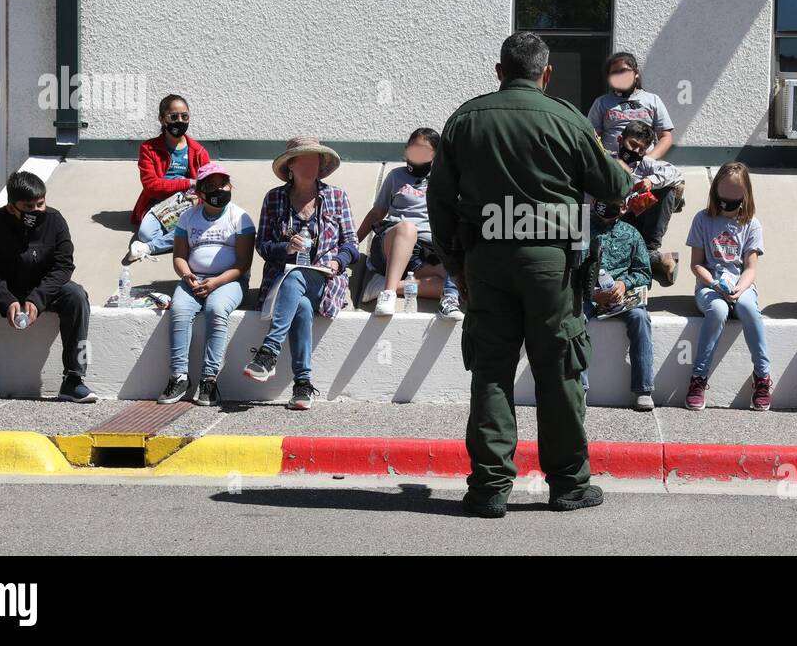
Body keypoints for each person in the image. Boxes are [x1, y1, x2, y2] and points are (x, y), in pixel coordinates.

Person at [428, 32, 632, 518]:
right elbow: (613, 184)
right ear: (546, 74)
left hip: (486, 260)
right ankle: (567, 485)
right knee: (559, 369)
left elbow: (439, 200)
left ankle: (489, 489)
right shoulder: (565, 117)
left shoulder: (465, 119)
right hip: (550, 264)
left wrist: (457, 265)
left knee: (491, 372)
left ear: (499, 72)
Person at [0, 171, 96, 404]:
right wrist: (7, 300)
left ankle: (74, 379)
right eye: (29, 206)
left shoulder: (55, 221)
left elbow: (63, 266)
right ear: (11, 207)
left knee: (77, 296)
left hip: (43, 289)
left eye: (41, 203)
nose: (37, 210)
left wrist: (37, 298)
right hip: (0, 288)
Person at [242, 137, 358, 411]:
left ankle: (269, 351)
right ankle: (303, 384)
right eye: (305, 159)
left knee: (297, 277)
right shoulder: (274, 198)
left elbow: (352, 244)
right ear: (291, 165)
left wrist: (338, 263)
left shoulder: (336, 196)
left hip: (325, 280)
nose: (311, 164)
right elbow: (262, 245)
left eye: (315, 159)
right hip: (283, 284)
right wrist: (286, 248)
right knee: (301, 304)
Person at [158, 163, 255, 408]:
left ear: (229, 186)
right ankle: (179, 376)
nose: (218, 190)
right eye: (210, 186)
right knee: (179, 310)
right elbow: (179, 256)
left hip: (229, 280)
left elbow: (243, 263)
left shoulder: (240, 218)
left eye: (222, 184)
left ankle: (209, 379)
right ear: (200, 192)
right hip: (194, 278)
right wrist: (187, 275)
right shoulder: (187, 218)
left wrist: (216, 282)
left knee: (216, 310)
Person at [685, 162, 772, 411]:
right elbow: (696, 264)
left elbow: (751, 268)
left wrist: (740, 288)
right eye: (723, 198)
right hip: (709, 285)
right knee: (718, 311)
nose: (727, 206)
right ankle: (698, 378)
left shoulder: (751, 224)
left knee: (749, 309)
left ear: (745, 196)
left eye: (734, 199)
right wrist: (713, 283)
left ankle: (763, 376)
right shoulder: (702, 219)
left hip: (740, 285)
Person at [356, 128, 463, 319]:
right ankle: (388, 294)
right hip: (393, 242)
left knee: (456, 281)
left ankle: (388, 284)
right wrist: (353, 243)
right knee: (407, 228)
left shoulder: (445, 181)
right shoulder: (396, 176)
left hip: (426, 252)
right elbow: (377, 212)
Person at [581, 197, 655, 411]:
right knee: (575, 320)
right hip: (587, 296)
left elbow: (644, 274)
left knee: (640, 318)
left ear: (624, 208)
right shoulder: (582, 229)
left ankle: (643, 389)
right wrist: (592, 293)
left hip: (620, 298)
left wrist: (624, 284)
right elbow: (570, 269)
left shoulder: (631, 234)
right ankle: (579, 388)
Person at [124, 94, 209, 264]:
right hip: (158, 202)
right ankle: (187, 237)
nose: (180, 121)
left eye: (184, 116)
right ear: (162, 119)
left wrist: (197, 194)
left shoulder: (199, 151)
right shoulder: (149, 148)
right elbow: (151, 185)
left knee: (150, 239)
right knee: (146, 234)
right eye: (173, 117)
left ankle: (149, 248)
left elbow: (208, 184)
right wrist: (188, 182)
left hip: (187, 201)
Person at [612, 120, 686, 286]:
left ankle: (650, 248)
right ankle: (656, 259)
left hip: (639, 217)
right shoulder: (607, 161)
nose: (636, 151)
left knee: (667, 188)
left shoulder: (643, 163)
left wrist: (651, 181)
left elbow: (675, 173)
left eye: (642, 149)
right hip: (614, 220)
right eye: (632, 144)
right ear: (620, 139)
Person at [586, 52, 675, 160]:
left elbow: (666, 137)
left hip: (644, 165)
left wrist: (650, 159)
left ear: (636, 73)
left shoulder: (653, 100)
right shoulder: (601, 103)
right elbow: (592, 137)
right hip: (613, 164)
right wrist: (606, 159)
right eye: (614, 73)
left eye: (624, 71)